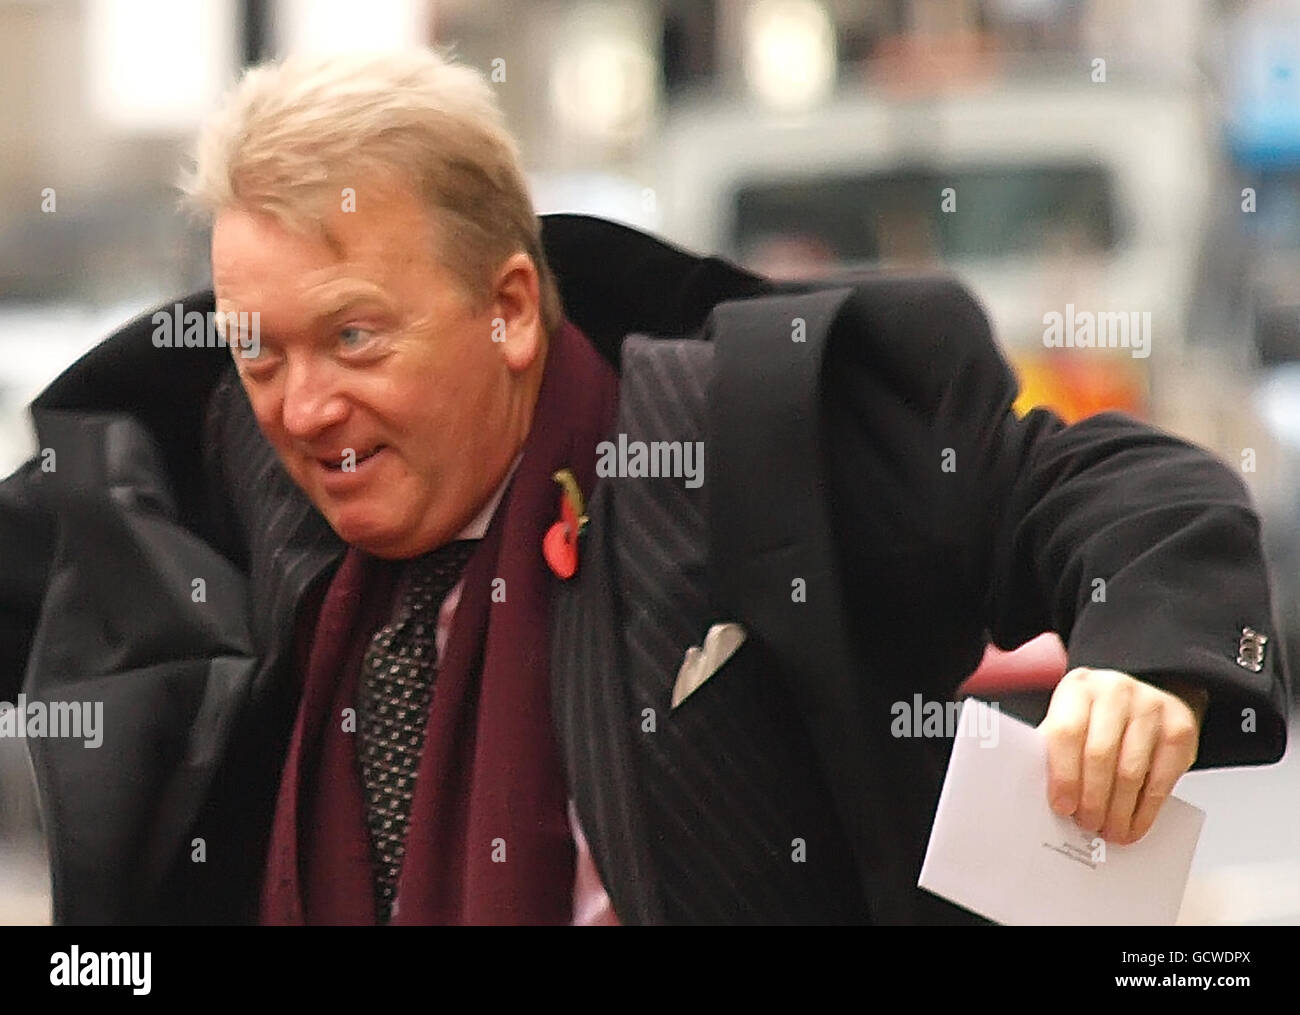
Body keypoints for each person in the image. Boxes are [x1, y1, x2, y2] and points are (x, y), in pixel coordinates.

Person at [0, 49, 1288, 925]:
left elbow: (1117, 487)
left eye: (354, 339)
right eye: (255, 351)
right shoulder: (216, 470)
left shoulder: (733, 444)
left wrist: (1144, 664)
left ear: (508, 308)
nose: (301, 406)